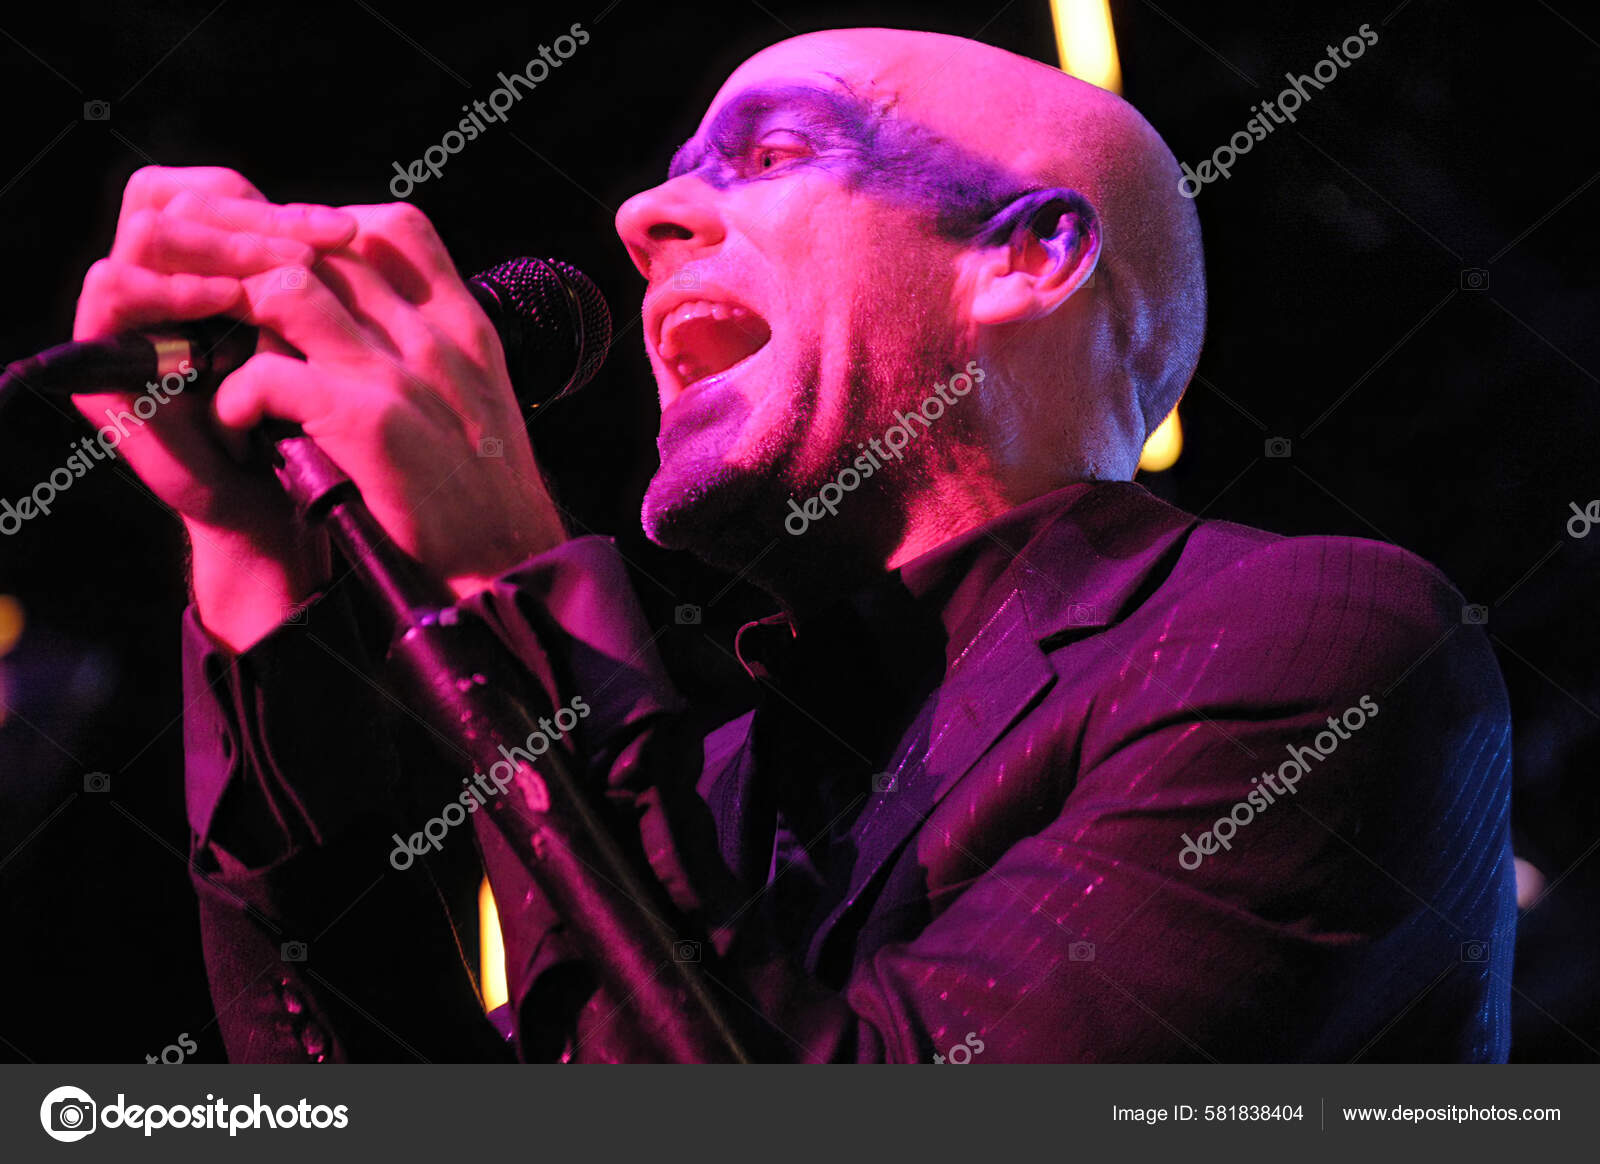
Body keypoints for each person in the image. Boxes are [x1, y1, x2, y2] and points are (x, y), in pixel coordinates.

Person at [72, 28, 1514, 1062]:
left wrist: (508, 577)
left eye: (770, 152)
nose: (641, 215)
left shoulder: (1321, 636)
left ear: (1031, 255)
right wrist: (259, 577)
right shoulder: (714, 775)